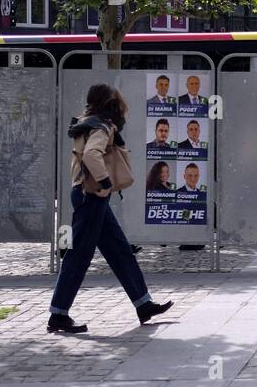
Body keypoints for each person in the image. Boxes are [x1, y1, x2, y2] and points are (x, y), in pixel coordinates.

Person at [50, 84, 173, 334]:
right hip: (92, 195)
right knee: (79, 256)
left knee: (119, 249)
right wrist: (105, 182)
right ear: (110, 104)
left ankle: (143, 303)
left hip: (87, 195)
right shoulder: (103, 125)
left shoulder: (85, 122)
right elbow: (91, 155)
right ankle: (58, 314)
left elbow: (83, 156)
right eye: (116, 102)